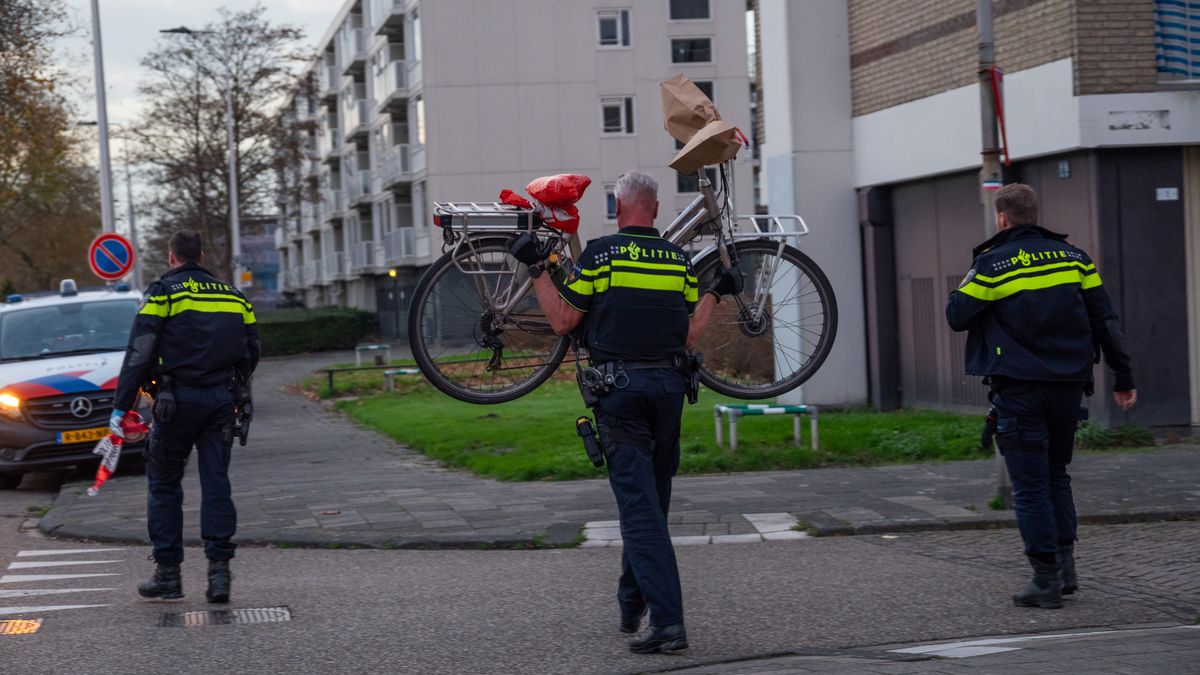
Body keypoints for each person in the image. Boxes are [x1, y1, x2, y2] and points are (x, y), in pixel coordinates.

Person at [509, 171, 740, 653]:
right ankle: (633, 601)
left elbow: (562, 321)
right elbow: (688, 335)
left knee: (638, 513)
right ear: (654, 210)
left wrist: (536, 270)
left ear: (618, 206)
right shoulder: (678, 262)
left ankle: (670, 624)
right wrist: (717, 292)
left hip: (621, 394)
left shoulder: (601, 254)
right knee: (652, 505)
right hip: (669, 391)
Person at [946, 183, 1136, 609]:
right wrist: (1124, 377)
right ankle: (1067, 571)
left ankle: (1045, 581)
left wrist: (973, 273)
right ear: (1033, 214)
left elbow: (957, 315)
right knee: (1056, 476)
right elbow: (1106, 320)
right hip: (1069, 387)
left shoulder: (993, 264)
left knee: (1029, 487)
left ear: (1002, 218)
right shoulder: (1075, 258)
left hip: (1019, 390)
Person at [111, 230, 259, 603]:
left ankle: (168, 576)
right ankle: (220, 575)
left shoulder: (163, 293)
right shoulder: (233, 296)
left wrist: (121, 405)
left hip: (174, 403)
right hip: (221, 402)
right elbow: (252, 350)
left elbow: (139, 351)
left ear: (171, 256)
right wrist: (235, 388)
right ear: (202, 256)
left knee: (164, 485)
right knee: (216, 482)